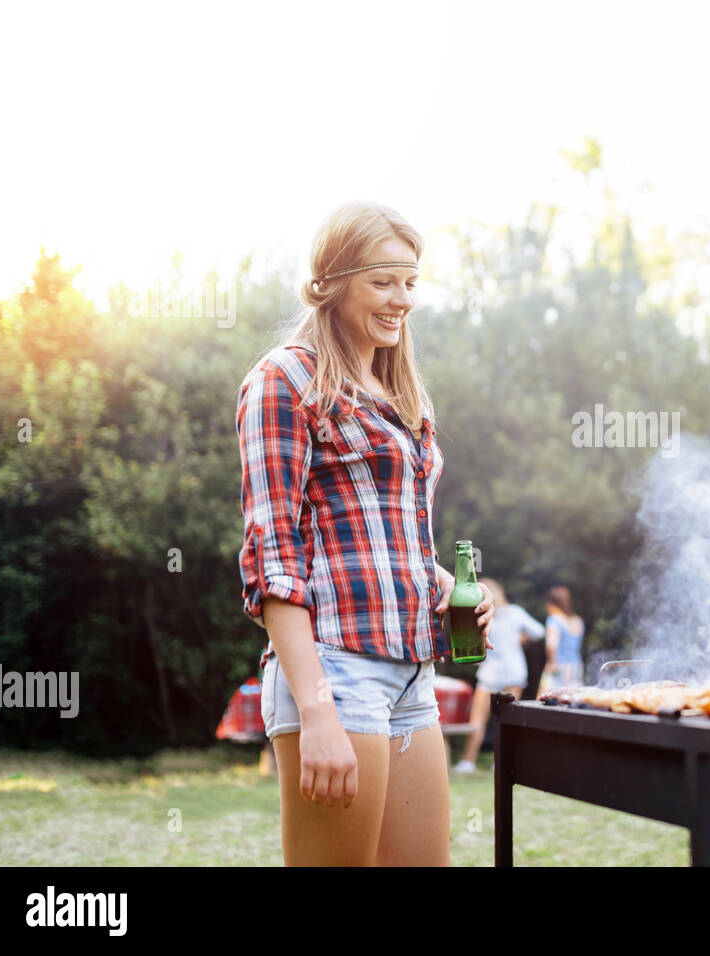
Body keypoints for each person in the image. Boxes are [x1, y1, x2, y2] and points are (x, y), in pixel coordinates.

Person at [237, 200, 495, 866]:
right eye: (383, 281)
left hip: (412, 676)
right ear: (332, 280)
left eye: (410, 281)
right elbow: (275, 556)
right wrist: (318, 710)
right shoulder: (283, 381)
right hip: (336, 672)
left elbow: (380, 536)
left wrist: (442, 581)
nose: (401, 298)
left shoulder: (402, 394)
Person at [454, 578, 544, 773]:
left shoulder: (479, 615)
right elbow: (539, 631)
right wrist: (521, 638)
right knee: (506, 719)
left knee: (477, 720)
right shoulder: (516, 613)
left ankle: (467, 763)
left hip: (491, 675)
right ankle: (501, 762)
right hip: (514, 673)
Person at [542, 585, 585, 688]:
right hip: (576, 666)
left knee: (544, 698)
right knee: (571, 699)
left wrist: (552, 662)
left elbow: (551, 645)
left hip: (559, 666)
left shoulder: (554, 620)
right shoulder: (577, 621)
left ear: (551, 603)